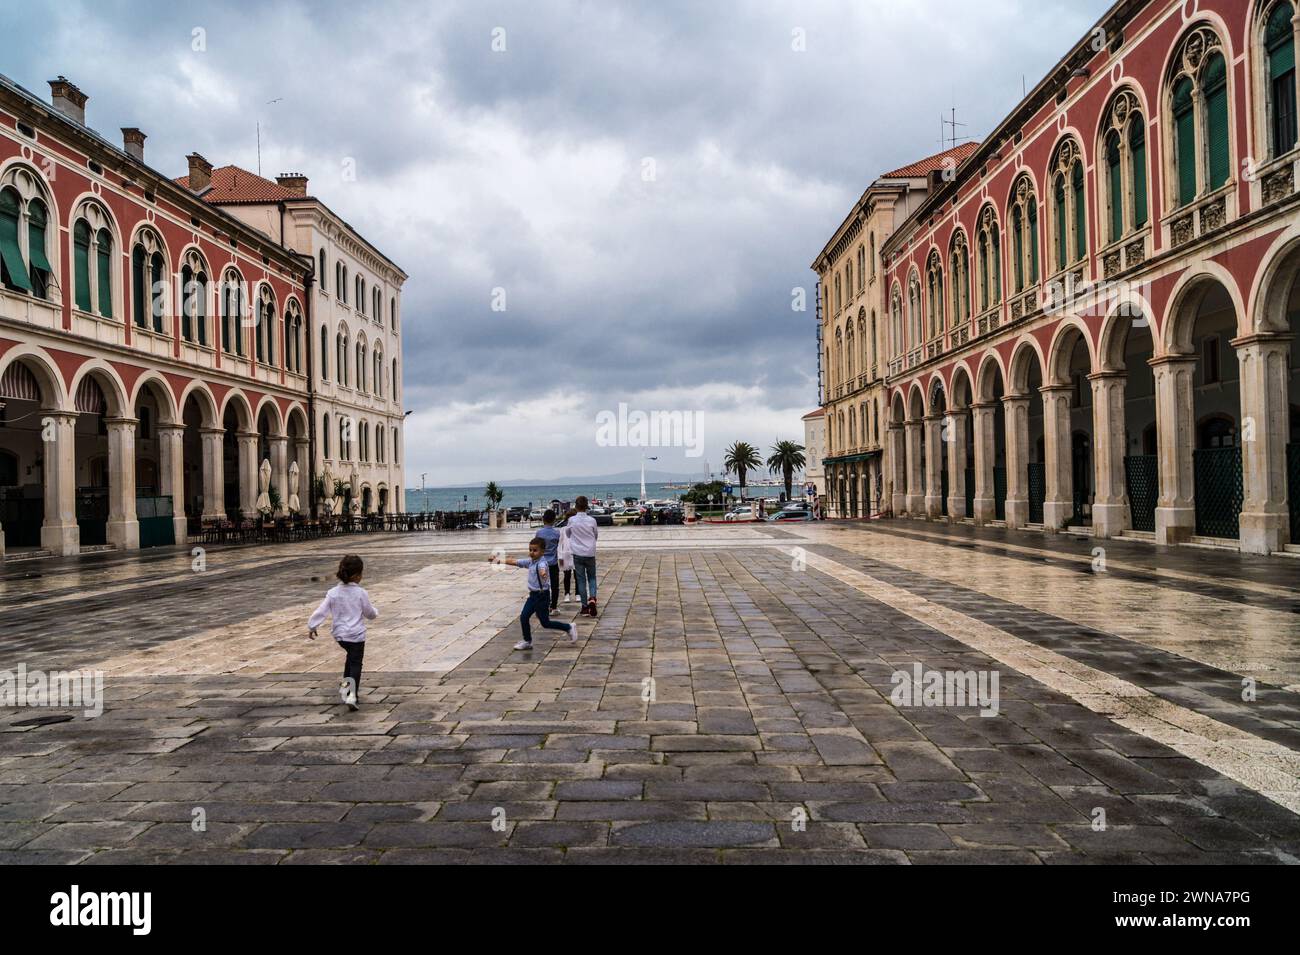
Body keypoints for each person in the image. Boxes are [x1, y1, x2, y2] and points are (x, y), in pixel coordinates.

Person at [307, 554, 378, 711]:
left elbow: (321, 611)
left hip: (340, 635)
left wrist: (312, 626)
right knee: (355, 664)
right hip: (357, 635)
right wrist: (375, 613)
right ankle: (351, 695)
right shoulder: (361, 593)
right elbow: (369, 613)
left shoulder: (333, 592)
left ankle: (346, 690)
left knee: (350, 660)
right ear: (358, 575)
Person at [492, 537, 577, 650]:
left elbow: (543, 570)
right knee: (524, 617)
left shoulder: (542, 563)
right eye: (530, 550)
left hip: (542, 596)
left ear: (542, 552)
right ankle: (527, 641)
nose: (532, 552)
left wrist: (543, 574)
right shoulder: (530, 562)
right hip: (533, 596)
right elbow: (515, 562)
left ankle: (568, 627)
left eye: (535, 550)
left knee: (545, 623)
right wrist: (498, 560)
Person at [566, 495, 600, 617]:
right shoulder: (592, 520)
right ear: (586, 507)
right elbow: (595, 535)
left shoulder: (572, 520)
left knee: (580, 579)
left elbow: (568, 534)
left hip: (578, 553)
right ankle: (592, 597)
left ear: (576, 506)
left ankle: (585, 606)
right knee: (592, 577)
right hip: (590, 552)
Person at [536, 509, 562, 611]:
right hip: (553, 562)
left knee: (542, 584)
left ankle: (542, 605)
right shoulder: (557, 533)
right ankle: (554, 606)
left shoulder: (539, 533)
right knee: (555, 585)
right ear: (554, 520)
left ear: (543, 519)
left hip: (541, 562)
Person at [557, 509, 576, 603]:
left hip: (576, 554)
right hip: (566, 555)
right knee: (567, 576)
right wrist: (560, 557)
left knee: (578, 575)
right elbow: (560, 544)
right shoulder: (563, 529)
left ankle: (578, 593)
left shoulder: (577, 529)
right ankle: (567, 594)